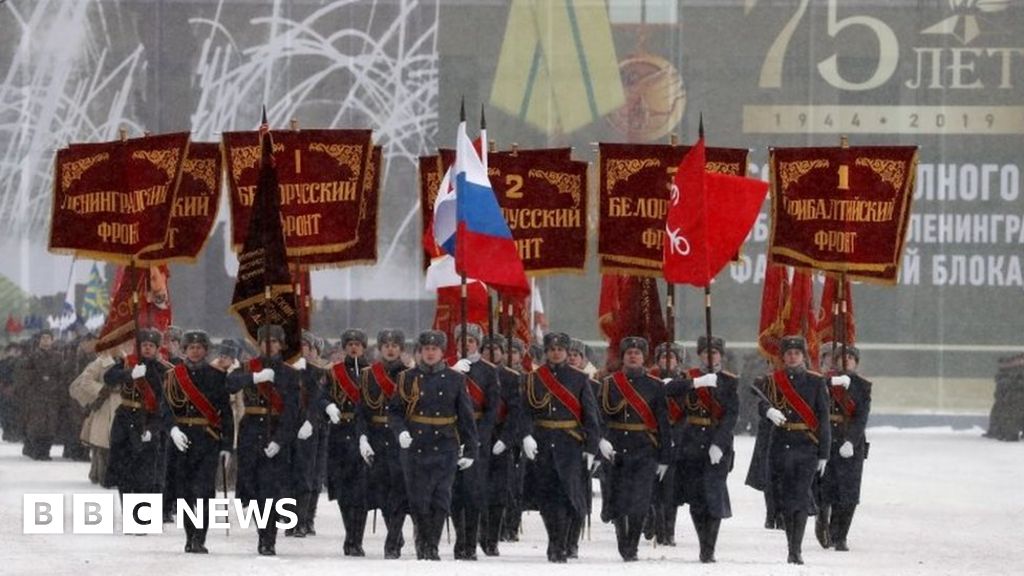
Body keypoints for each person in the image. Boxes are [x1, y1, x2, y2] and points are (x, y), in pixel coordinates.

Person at [387, 330, 479, 561]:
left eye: (434, 349)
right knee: (419, 499)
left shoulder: (456, 379)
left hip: (445, 444)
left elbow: (466, 417)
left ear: (441, 352)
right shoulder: (407, 378)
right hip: (416, 445)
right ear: (420, 351)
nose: (430, 353)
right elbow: (395, 412)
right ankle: (423, 541)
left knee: (441, 498)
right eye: (426, 349)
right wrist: (401, 432)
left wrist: (470, 450)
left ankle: (432, 546)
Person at [520, 332, 601, 563]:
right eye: (552, 349)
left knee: (569, 496)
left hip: (570, 444)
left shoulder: (579, 379)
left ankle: (564, 542)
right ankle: (554, 541)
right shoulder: (534, 378)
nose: (556, 352)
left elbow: (590, 416)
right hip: (543, 443)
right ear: (546, 352)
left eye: (560, 349)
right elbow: (525, 411)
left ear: (566, 352)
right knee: (547, 497)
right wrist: (526, 435)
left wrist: (591, 447)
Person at [754, 335, 831, 565]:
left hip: (806, 446)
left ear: (803, 356)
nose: (792, 357)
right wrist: (767, 411)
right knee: (787, 499)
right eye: (788, 353)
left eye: (797, 353)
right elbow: (761, 402)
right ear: (783, 357)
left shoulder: (816, 382)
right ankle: (791, 544)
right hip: (780, 444)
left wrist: (824, 453)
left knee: (799, 497)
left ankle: (795, 549)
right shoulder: (773, 380)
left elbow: (823, 419)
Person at [226, 324, 300, 556]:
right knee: (255, 488)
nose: (269, 345)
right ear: (258, 344)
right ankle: (262, 533)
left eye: (274, 341)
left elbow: (292, 411)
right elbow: (229, 384)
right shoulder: (248, 367)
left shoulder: (289, 373)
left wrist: (280, 440)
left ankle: (269, 538)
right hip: (251, 432)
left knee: (273, 490)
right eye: (265, 341)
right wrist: (254, 377)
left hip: (276, 431)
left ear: (281, 344)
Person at [598, 336, 671, 562]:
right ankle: (623, 541)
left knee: (640, 500)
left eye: (637, 353)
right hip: (616, 448)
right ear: (623, 356)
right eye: (629, 352)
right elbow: (599, 416)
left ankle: (633, 543)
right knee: (619, 499)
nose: (633, 356)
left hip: (645, 448)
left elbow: (663, 423)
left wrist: (664, 458)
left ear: (644, 358)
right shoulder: (609, 383)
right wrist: (600, 440)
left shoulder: (655, 385)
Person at [666, 336, 739, 563]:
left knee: (713, 496)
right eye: (706, 353)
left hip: (717, 444)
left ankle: (710, 548)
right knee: (696, 498)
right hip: (691, 443)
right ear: (699, 355)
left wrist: (719, 443)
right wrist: (696, 383)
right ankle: (702, 543)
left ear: (721, 356)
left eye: (714, 353)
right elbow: (668, 389)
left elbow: (731, 416)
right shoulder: (690, 377)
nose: (710, 356)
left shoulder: (729, 381)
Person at [163, 330, 234, 553]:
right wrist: (172, 429)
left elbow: (226, 412)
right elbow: (164, 408)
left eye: (200, 347)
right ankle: (189, 535)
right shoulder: (173, 376)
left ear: (206, 350)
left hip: (207, 439)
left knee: (203, 491)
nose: (195, 351)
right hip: (181, 439)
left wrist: (226, 445)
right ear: (184, 350)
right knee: (184, 491)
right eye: (191, 347)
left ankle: (199, 538)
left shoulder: (216, 376)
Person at [356, 328, 410, 559]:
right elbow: (361, 411)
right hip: (376, 436)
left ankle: (392, 540)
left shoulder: (410, 375)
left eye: (395, 345)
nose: (390, 349)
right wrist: (362, 437)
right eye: (386, 345)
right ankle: (395, 533)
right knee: (382, 490)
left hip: (400, 438)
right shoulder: (368, 375)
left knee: (399, 490)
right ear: (379, 349)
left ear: (401, 349)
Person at [449, 323, 499, 560]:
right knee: (454, 492)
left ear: (477, 343)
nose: (465, 344)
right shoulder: (448, 367)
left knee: (474, 492)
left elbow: (492, 410)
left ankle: (470, 541)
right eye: (461, 340)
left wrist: (479, 439)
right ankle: (460, 539)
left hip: (477, 434)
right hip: (451, 434)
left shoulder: (489, 371)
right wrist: (452, 373)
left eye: (470, 340)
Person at [816, 344, 872, 552]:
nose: (846, 360)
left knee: (848, 492)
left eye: (851, 357)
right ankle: (823, 522)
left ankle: (841, 536)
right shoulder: (823, 381)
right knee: (825, 489)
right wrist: (832, 383)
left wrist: (851, 440)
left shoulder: (863, 386)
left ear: (856, 362)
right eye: (842, 357)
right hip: (828, 438)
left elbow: (861, 417)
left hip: (851, 443)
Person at [103, 329, 170, 498]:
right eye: (144, 345)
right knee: (123, 471)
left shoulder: (162, 371)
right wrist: (129, 374)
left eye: (151, 346)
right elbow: (109, 377)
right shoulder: (127, 363)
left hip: (147, 420)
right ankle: (128, 509)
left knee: (146, 474)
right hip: (125, 420)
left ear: (157, 349)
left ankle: (143, 514)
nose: (147, 348)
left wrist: (152, 428)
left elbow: (163, 405)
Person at [321, 329, 370, 556]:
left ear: (364, 347)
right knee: (343, 489)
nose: (353, 348)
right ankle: (349, 532)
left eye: (358, 344)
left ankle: (355, 538)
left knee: (361, 490)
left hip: (364, 434)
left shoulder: (373, 372)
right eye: (349, 344)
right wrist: (327, 405)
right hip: (340, 433)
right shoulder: (333, 373)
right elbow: (321, 395)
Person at [477, 334, 522, 557]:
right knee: (476, 489)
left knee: (498, 493)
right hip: (477, 438)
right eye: (487, 348)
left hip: (500, 440)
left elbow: (516, 412)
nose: (492, 352)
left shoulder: (512, 378)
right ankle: (478, 532)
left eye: (497, 349)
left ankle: (492, 537)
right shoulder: (473, 374)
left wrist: (506, 439)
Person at [286, 331, 326, 538]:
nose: (302, 350)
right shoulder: (284, 370)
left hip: (313, 429)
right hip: (287, 428)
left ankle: (304, 519)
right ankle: (289, 518)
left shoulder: (318, 373)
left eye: (305, 346)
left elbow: (319, 400)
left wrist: (311, 421)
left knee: (308, 475)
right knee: (286, 475)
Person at [650, 341, 684, 547]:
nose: (667, 361)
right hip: (653, 438)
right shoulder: (650, 381)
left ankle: (668, 530)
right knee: (652, 487)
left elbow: (688, 412)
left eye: (671, 358)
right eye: (663, 357)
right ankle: (654, 525)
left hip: (677, 439)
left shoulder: (685, 382)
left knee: (671, 490)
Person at [18, 330, 65, 460]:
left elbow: (62, 375)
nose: (45, 341)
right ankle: (37, 450)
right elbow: (25, 374)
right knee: (37, 424)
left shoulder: (58, 356)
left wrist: (55, 384)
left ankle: (46, 450)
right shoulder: (32, 356)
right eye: (43, 338)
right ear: (39, 340)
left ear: (52, 340)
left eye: (48, 338)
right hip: (36, 395)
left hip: (52, 395)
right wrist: (39, 378)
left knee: (51, 424)